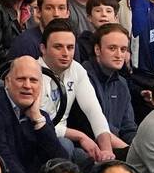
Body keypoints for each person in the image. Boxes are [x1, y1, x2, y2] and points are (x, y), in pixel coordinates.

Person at [38, 19, 118, 161]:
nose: (65, 53)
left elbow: (94, 111)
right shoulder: (32, 73)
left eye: (70, 47)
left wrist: (107, 152)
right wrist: (80, 136)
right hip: (37, 136)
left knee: (93, 160)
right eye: (58, 47)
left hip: (64, 136)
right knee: (65, 146)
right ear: (43, 48)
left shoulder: (76, 69)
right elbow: (39, 123)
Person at [85, 23, 137, 146]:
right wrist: (129, 152)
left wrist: (140, 148)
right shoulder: (84, 76)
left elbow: (128, 128)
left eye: (123, 49)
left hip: (118, 148)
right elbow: (93, 127)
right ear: (97, 49)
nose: (119, 55)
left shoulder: (122, 84)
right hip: (91, 147)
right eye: (112, 48)